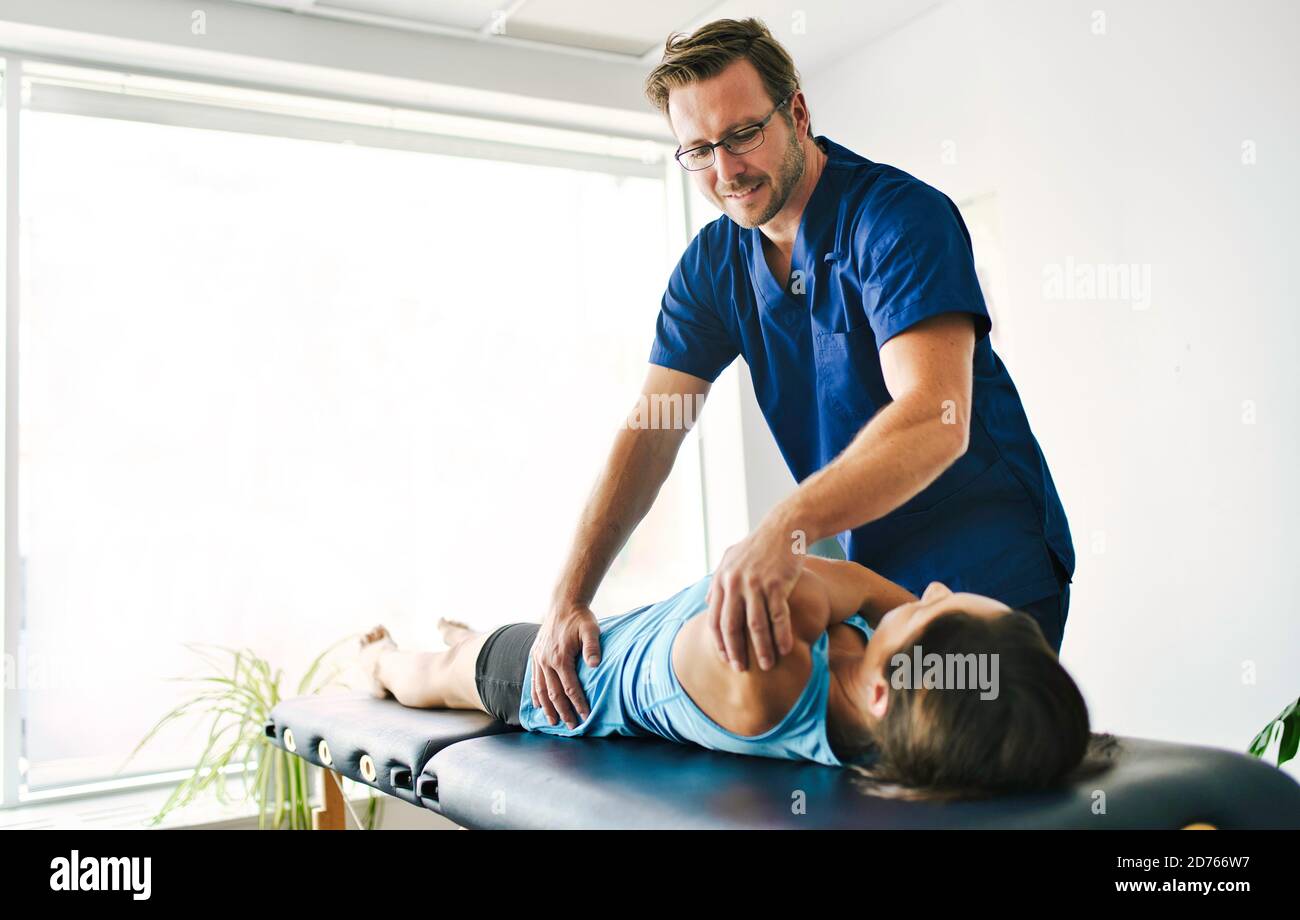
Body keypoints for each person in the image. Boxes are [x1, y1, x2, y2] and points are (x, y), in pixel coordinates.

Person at [532, 18, 1076, 732]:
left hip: (987, 568)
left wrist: (785, 527)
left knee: (967, 768)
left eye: (742, 135)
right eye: (698, 150)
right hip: (870, 575)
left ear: (796, 113)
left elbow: (935, 417)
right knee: (872, 773)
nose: (726, 171)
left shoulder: (896, 220)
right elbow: (654, 429)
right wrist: (569, 597)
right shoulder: (713, 268)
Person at [356, 557, 1099, 798]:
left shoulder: (767, 675)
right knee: (483, 636)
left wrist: (392, 670)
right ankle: (466, 632)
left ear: (882, 695)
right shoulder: (889, 695)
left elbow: (803, 571)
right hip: (631, 625)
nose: (927, 590)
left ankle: (379, 660)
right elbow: (867, 594)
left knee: (445, 672)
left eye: (931, 608)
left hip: (558, 680)